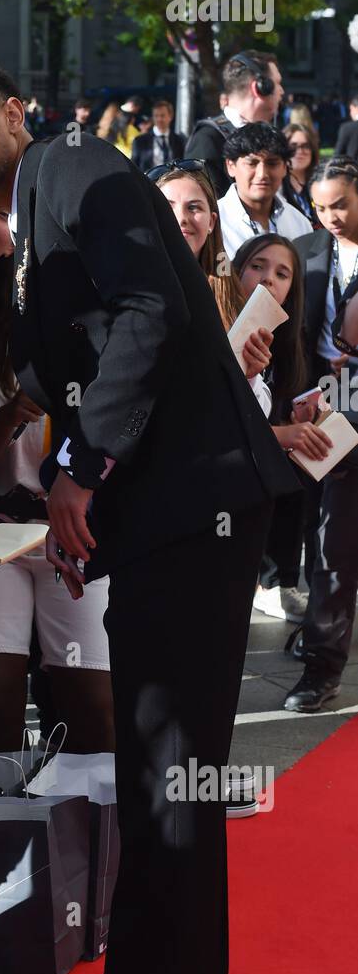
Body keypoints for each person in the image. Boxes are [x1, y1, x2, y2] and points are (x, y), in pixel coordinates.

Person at [0, 57, 297, 974]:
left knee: (172, 789)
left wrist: (81, 472)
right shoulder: (34, 209)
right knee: (150, 782)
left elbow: (146, 314)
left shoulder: (76, 163)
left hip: (194, 511)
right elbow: (63, 358)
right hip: (170, 521)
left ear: (11, 114)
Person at [0, 182, 114, 754]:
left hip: (81, 530)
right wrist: (15, 409)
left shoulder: (107, 331)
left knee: (91, 707)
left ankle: (86, 839)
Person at [282, 158, 358, 712]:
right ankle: (321, 667)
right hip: (330, 406)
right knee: (332, 540)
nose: (330, 216)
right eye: (321, 205)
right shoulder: (307, 252)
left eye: (341, 204)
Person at [230, 236, 328, 630]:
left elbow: (281, 411)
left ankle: (278, 580)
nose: (268, 279)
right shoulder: (215, 328)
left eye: (282, 273)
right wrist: (281, 435)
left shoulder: (290, 344)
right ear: (235, 270)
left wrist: (299, 420)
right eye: (257, 266)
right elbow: (217, 424)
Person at [151, 162, 273, 414]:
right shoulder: (121, 288)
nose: (181, 218)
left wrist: (249, 377)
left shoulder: (231, 297)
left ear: (211, 222)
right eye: (166, 207)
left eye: (194, 208)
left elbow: (261, 411)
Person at [186, 50, 283, 197]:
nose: (281, 91)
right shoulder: (207, 139)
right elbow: (205, 210)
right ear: (259, 88)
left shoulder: (272, 138)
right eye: (277, 83)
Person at [218, 123, 313, 259]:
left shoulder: (299, 223)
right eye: (252, 163)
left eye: (272, 163)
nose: (262, 174)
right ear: (231, 166)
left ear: (285, 168)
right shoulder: (213, 222)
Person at [130, 99, 185, 172]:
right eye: (156, 116)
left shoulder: (179, 140)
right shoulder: (140, 141)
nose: (159, 119)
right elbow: (133, 167)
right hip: (148, 180)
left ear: (170, 116)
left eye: (162, 115)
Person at [282, 122, 320, 226]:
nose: (300, 151)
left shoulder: (320, 183)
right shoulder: (277, 187)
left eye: (305, 146)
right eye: (293, 146)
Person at [333, 95, 358, 159]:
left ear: (355, 108)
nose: (350, 113)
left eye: (350, 109)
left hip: (352, 167)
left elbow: (338, 154)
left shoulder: (347, 128)